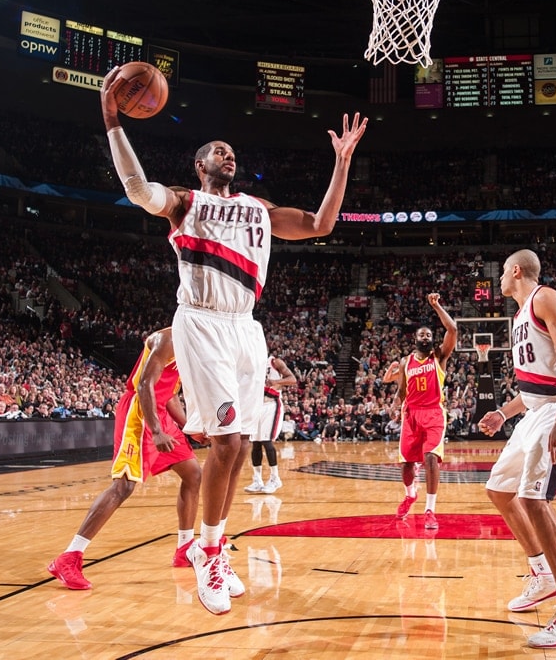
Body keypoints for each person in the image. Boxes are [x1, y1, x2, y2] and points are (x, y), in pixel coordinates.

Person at [101, 68, 367, 615]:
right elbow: (135, 189)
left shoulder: (257, 210)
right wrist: (111, 120)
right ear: (200, 167)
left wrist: (341, 164)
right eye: (217, 151)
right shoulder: (183, 203)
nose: (228, 154)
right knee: (225, 444)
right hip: (199, 321)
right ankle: (211, 551)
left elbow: (319, 223)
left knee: (241, 445)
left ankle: (212, 546)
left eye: (231, 151)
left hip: (246, 326)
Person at [477, 249, 556, 650]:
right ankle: (541, 573)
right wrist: (503, 412)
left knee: (534, 500)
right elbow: (535, 383)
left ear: (516, 271)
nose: (497, 281)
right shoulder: (518, 316)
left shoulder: (545, 298)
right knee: (499, 489)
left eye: (501, 274)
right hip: (535, 411)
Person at [47, 328, 204, 592]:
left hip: (160, 412)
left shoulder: (192, 345)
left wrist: (189, 428)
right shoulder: (167, 339)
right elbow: (144, 386)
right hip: (140, 412)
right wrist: (156, 431)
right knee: (124, 487)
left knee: (193, 474)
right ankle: (69, 557)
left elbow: (170, 395)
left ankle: (184, 548)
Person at [382, 292, 458, 530]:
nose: (425, 336)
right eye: (421, 334)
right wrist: (395, 406)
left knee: (430, 459)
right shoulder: (406, 362)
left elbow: (453, 330)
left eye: (429, 334)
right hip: (411, 414)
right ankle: (410, 494)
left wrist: (437, 306)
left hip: (434, 412)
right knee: (406, 464)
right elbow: (402, 390)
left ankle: (430, 510)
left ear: (432, 339)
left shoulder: (439, 357)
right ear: (415, 339)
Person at [246, 354, 297, 494]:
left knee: (267, 442)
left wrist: (277, 382)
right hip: (256, 406)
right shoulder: (251, 363)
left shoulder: (275, 362)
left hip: (271, 404)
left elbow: (293, 379)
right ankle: (257, 480)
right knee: (255, 443)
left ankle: (275, 478)